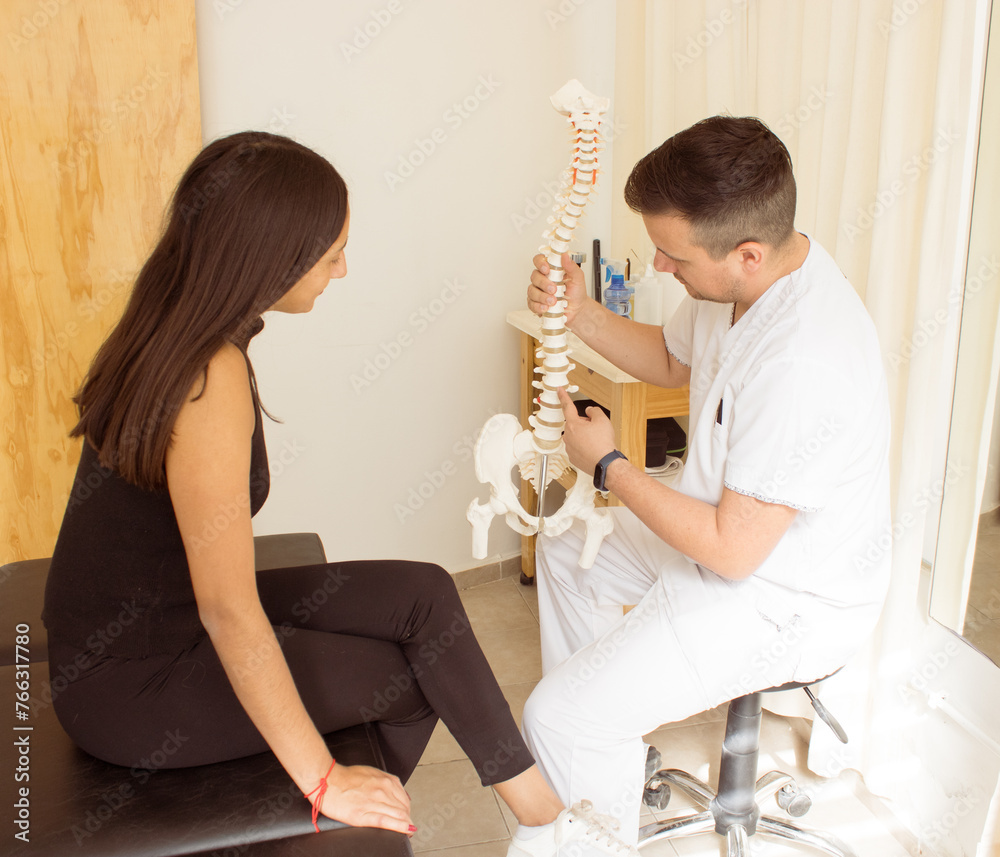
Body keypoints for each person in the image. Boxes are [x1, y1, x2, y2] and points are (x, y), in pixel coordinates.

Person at [42, 131, 637, 857]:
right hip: (130, 679)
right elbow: (229, 611)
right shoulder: (207, 374)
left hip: (162, 615)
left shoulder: (176, 319)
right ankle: (339, 823)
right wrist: (323, 776)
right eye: (330, 255)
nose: (343, 270)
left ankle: (539, 813)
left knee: (423, 596)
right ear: (270, 256)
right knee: (408, 681)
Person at [522, 116, 891, 848]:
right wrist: (580, 310)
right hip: (728, 536)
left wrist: (609, 464)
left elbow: (730, 553)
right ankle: (602, 747)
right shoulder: (742, 282)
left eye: (670, 255)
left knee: (556, 716)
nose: (659, 267)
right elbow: (669, 355)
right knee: (567, 544)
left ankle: (586, 736)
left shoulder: (804, 360)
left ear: (746, 253)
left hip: (781, 597)